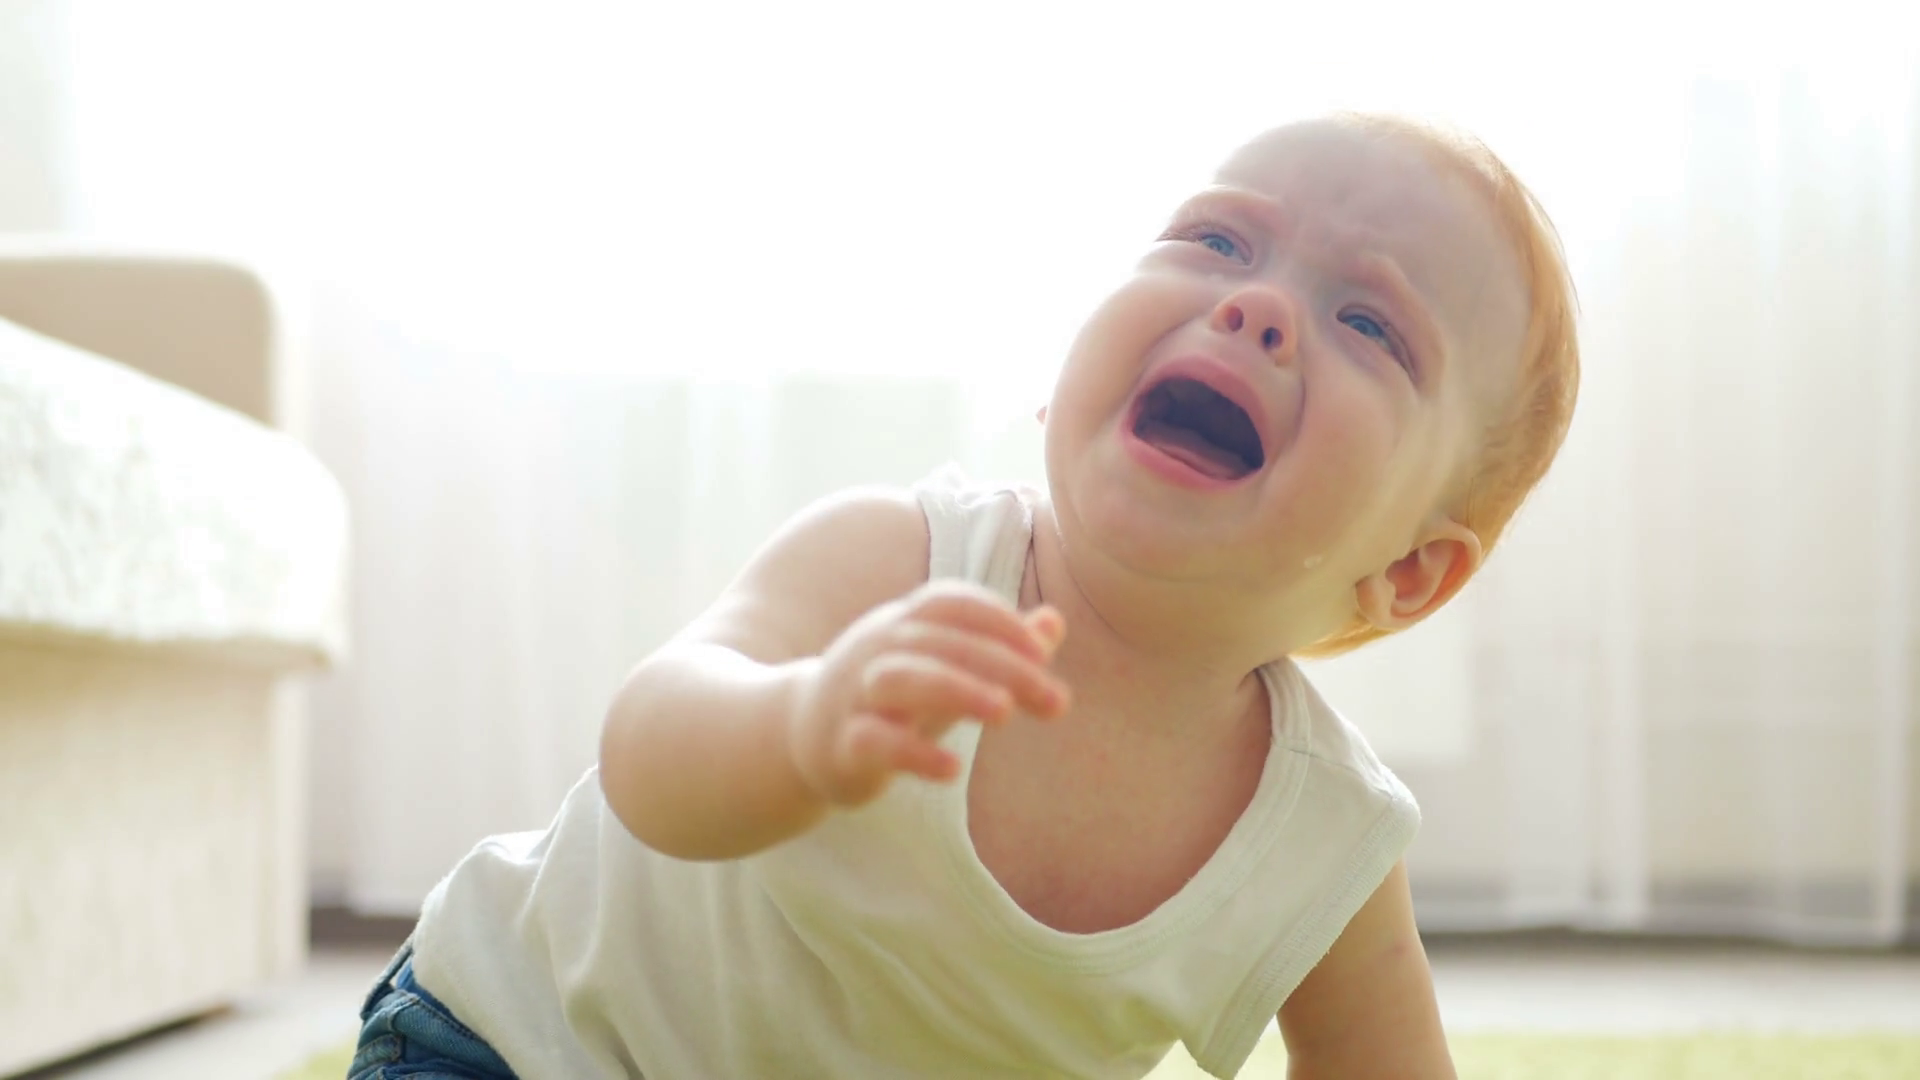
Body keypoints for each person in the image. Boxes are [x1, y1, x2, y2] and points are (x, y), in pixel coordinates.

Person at [348, 112, 1580, 1079]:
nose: (1252, 305)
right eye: (1216, 241)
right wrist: (798, 725)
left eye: (1368, 321)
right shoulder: (900, 560)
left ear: (1410, 572)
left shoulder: (1323, 839)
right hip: (522, 1048)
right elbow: (648, 749)